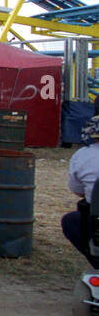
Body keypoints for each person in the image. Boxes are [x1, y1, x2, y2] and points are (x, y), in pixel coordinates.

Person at [61, 114, 99, 267]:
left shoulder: (82, 156)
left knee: (71, 220)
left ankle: (96, 264)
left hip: (95, 225)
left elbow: (77, 190)